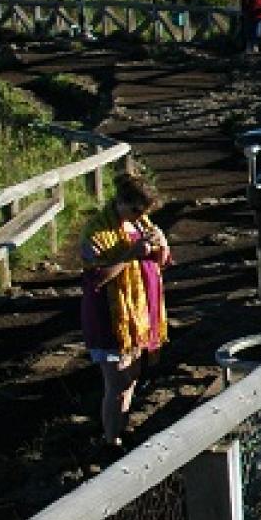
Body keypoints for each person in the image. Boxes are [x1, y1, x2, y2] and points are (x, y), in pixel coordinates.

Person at [80, 173, 172, 450]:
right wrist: (130, 254)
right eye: (135, 210)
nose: (139, 216)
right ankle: (111, 439)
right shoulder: (95, 234)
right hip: (109, 316)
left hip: (138, 316)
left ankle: (119, 431)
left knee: (130, 379)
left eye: (144, 212)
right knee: (117, 381)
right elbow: (95, 278)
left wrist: (162, 244)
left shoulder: (141, 225)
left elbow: (161, 261)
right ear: (121, 201)